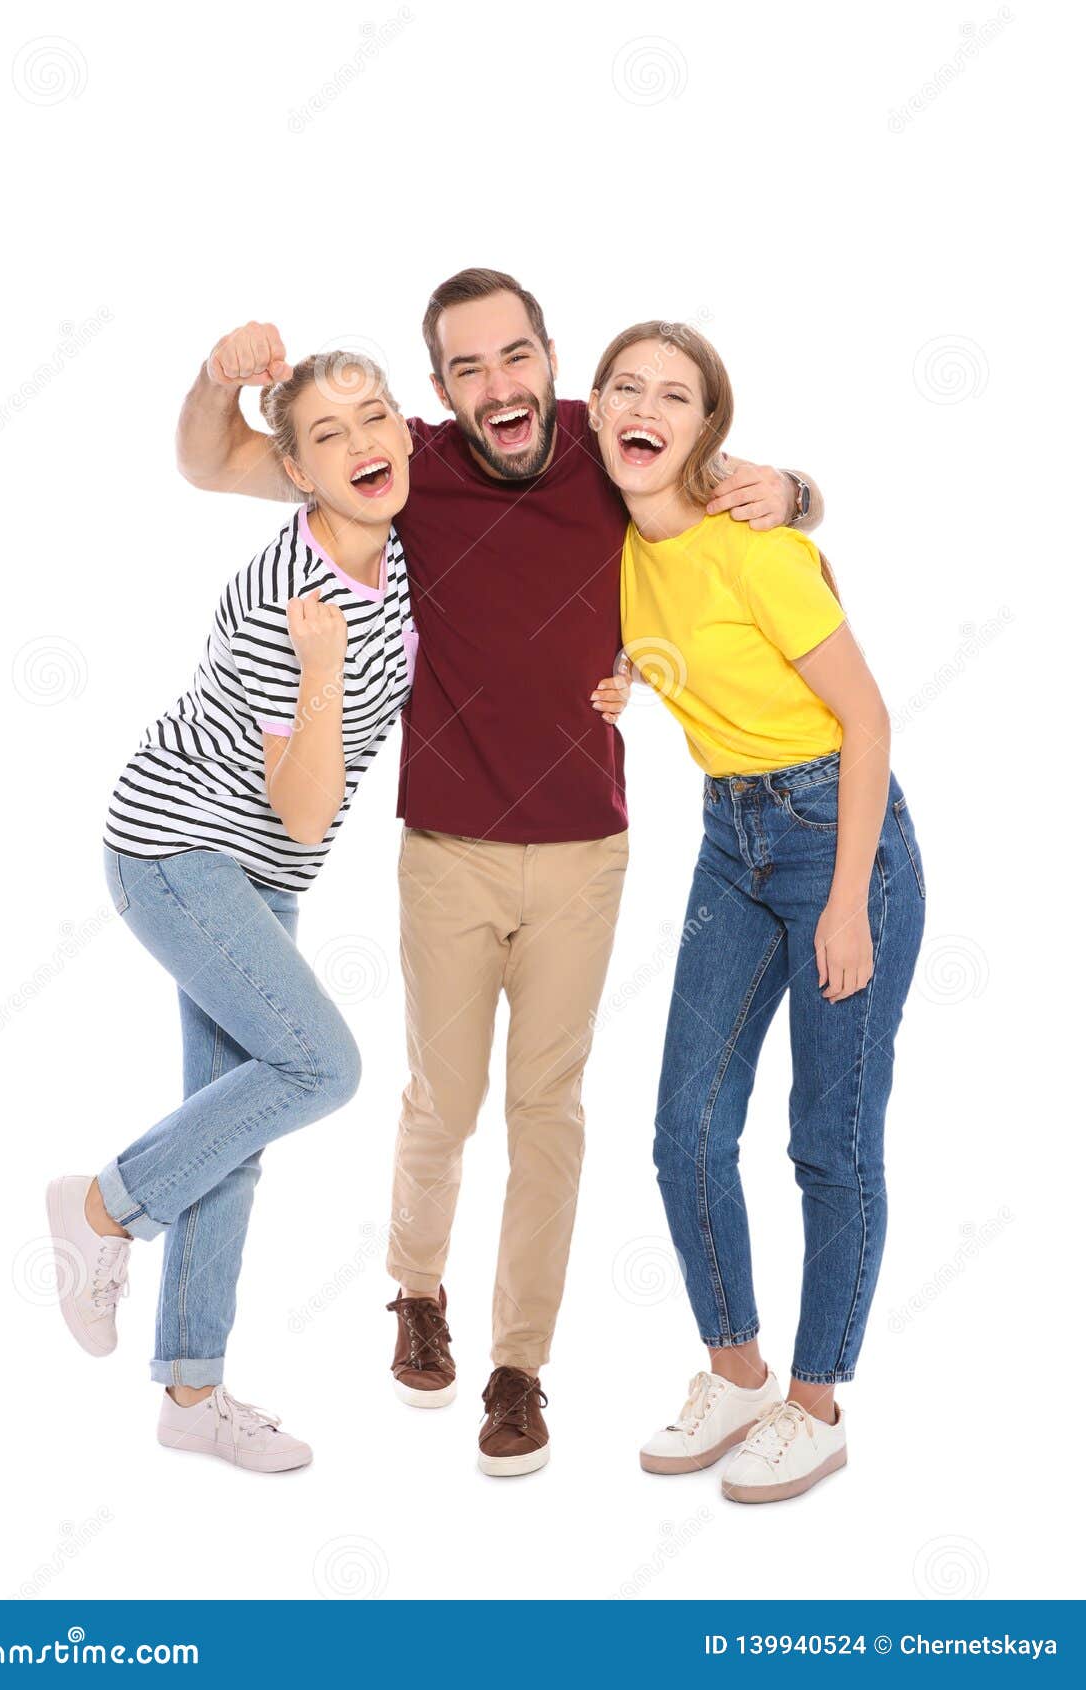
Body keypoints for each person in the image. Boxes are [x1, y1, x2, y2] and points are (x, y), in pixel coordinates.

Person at [176, 271, 819, 1477]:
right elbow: (213, 465)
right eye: (467, 368)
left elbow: (736, 485)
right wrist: (217, 379)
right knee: (443, 1098)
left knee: (548, 1113)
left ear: (551, 360)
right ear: (439, 387)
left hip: (585, 851)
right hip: (447, 851)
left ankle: (519, 1368)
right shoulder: (406, 466)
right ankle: (417, 1291)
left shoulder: (606, 443)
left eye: (514, 356)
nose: (497, 384)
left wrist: (798, 490)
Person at [47, 352, 416, 1473]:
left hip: (260, 874)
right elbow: (303, 810)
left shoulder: (400, 532)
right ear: (295, 472)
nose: (363, 443)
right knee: (321, 1067)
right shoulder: (284, 607)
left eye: (376, 416)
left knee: (232, 1131)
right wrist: (321, 668)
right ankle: (102, 1207)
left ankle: (192, 1395)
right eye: (330, 434)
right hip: (177, 853)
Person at [589, 321, 925, 1503]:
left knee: (828, 1141)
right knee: (683, 1130)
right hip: (728, 838)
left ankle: (815, 1406)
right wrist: (621, 675)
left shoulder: (756, 547)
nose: (646, 408)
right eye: (626, 387)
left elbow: (868, 720)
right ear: (595, 409)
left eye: (674, 395)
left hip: (841, 833)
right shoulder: (606, 536)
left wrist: (848, 901)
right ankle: (735, 1374)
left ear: (707, 429)